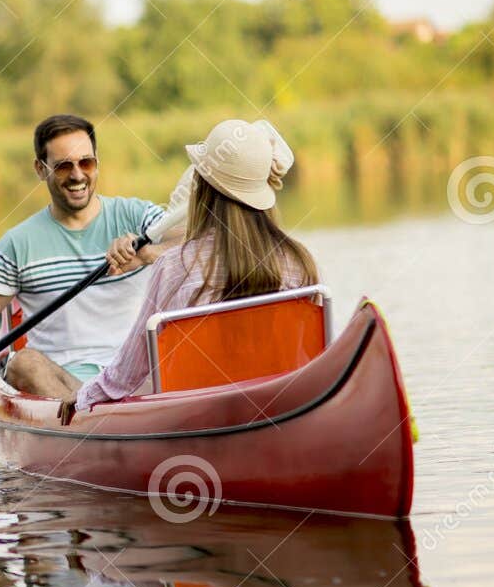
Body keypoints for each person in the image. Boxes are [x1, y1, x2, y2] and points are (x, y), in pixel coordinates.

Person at [59, 118, 319, 425]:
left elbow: (129, 371)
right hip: (280, 406)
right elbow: (312, 356)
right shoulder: (298, 260)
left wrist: (86, 394)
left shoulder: (174, 267)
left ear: (201, 190)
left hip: (196, 416)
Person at [0, 113, 169, 412]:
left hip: (137, 373)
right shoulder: (16, 244)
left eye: (86, 163)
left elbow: (194, 243)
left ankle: (104, 410)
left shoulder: (138, 216)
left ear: (97, 163)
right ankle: (96, 412)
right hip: (63, 382)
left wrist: (148, 254)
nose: (77, 175)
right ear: (40, 169)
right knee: (23, 363)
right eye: (62, 166)